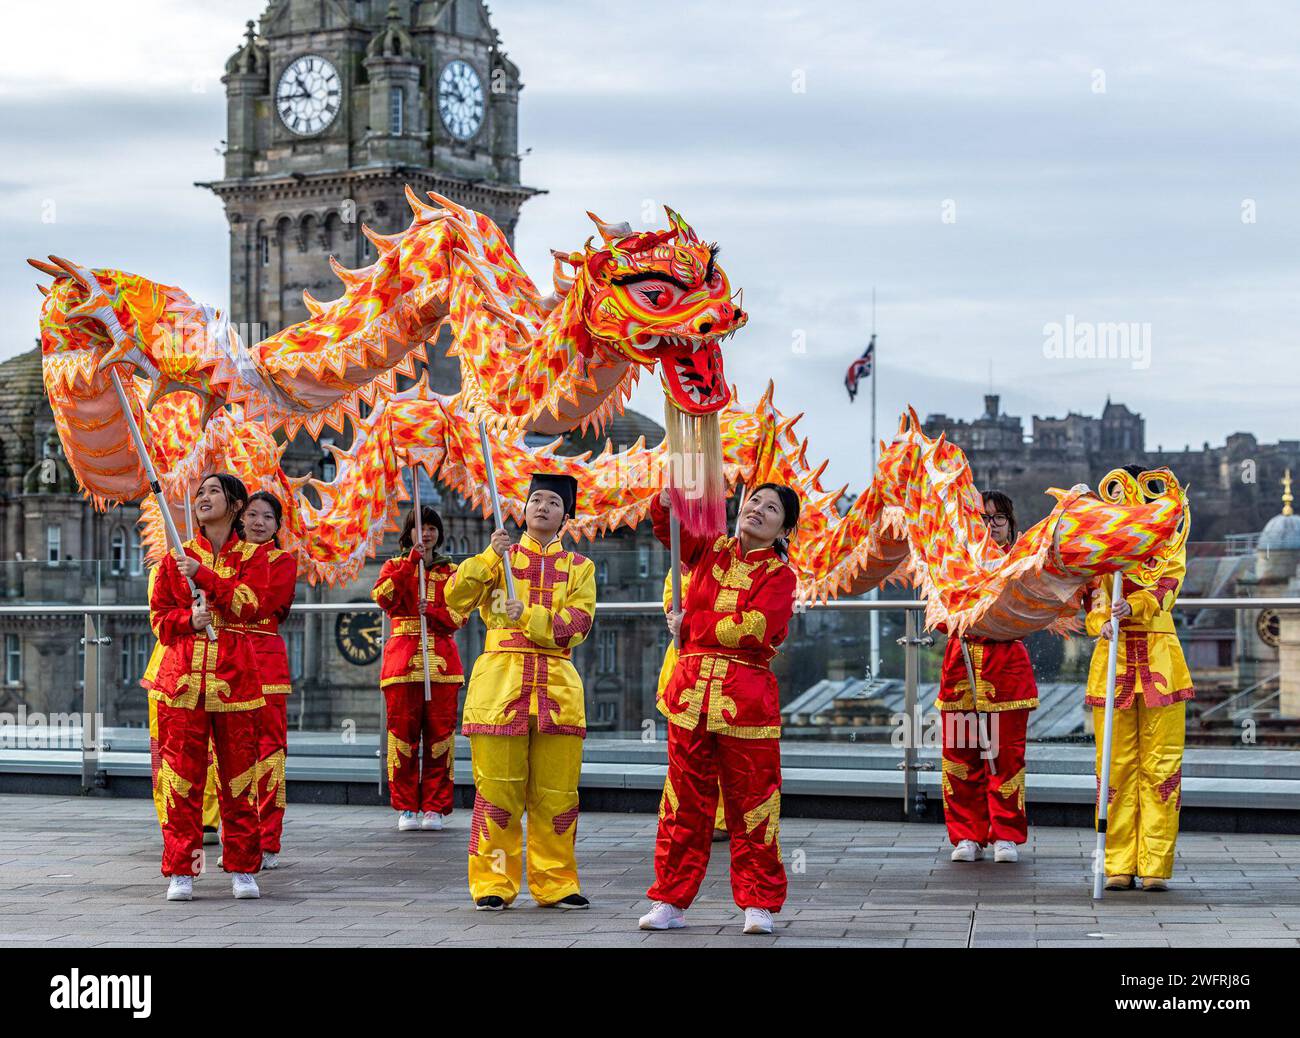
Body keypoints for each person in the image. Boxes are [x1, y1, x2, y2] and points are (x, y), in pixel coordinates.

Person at [638, 483, 799, 936]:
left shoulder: (781, 577)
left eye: (772, 509)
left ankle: (759, 902)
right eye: (754, 502)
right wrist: (663, 505)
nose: (758, 511)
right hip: (690, 698)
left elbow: (756, 629)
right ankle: (670, 898)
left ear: (784, 528)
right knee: (681, 804)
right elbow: (674, 536)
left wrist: (690, 623)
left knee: (754, 806)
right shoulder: (710, 549)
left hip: (746, 703)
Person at [444, 473, 596, 911]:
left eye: (552, 502)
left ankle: (557, 882)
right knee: (497, 790)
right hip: (499, 686)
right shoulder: (499, 559)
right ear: (522, 509)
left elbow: (577, 625)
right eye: (535, 500)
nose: (542, 507)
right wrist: (488, 558)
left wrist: (527, 614)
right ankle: (493, 882)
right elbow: (455, 598)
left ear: (566, 516)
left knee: (558, 795)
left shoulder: (581, 568)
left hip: (558, 689)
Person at [149, 473, 269, 902]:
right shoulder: (175, 558)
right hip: (181, 684)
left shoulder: (255, 557)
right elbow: (160, 621)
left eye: (213, 491)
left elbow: (253, 606)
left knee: (239, 780)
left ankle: (242, 868)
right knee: (181, 780)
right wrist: (188, 621)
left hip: (236, 681)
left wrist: (206, 578)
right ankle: (182, 868)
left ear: (235, 505)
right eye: (199, 492)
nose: (203, 498)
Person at [1085, 465, 1192, 892]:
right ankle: (1116, 864)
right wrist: (1101, 622)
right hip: (1112, 665)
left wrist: (1137, 605)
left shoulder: (1168, 540)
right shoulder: (1101, 548)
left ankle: (1154, 864)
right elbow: (1091, 600)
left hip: (1161, 664)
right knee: (1113, 766)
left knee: (1162, 764)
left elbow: (1170, 584)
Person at [936, 490, 1039, 864]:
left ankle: (1005, 834)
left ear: (1010, 525)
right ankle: (966, 834)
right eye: (982, 518)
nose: (990, 525)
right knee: (960, 756)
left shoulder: (1023, 562)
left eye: (998, 518)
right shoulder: (953, 563)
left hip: (1006, 664)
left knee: (1004, 756)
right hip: (959, 664)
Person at [371, 504, 466, 832]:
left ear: (439, 533)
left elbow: (460, 615)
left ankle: (435, 807)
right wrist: (410, 565)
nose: (426, 533)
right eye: (419, 527)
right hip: (401, 664)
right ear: (408, 533)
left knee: (441, 738)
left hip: (441, 665)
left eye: (431, 527)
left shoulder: (450, 572)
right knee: (402, 738)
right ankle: (406, 805)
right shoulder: (394, 565)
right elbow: (382, 597)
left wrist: (434, 613)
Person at [240, 491, 298, 869]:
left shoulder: (283, 561)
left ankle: (267, 840)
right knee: (230, 757)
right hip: (226, 664)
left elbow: (265, 602)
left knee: (269, 754)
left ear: (278, 526)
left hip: (267, 667)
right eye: (252, 515)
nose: (259, 522)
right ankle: (239, 841)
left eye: (268, 517)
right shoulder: (222, 558)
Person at [657, 568, 727, 841]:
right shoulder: (680, 567)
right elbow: (675, 608)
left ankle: (719, 817)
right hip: (685, 667)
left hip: (722, 672)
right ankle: (687, 817)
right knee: (684, 754)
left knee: (722, 753)